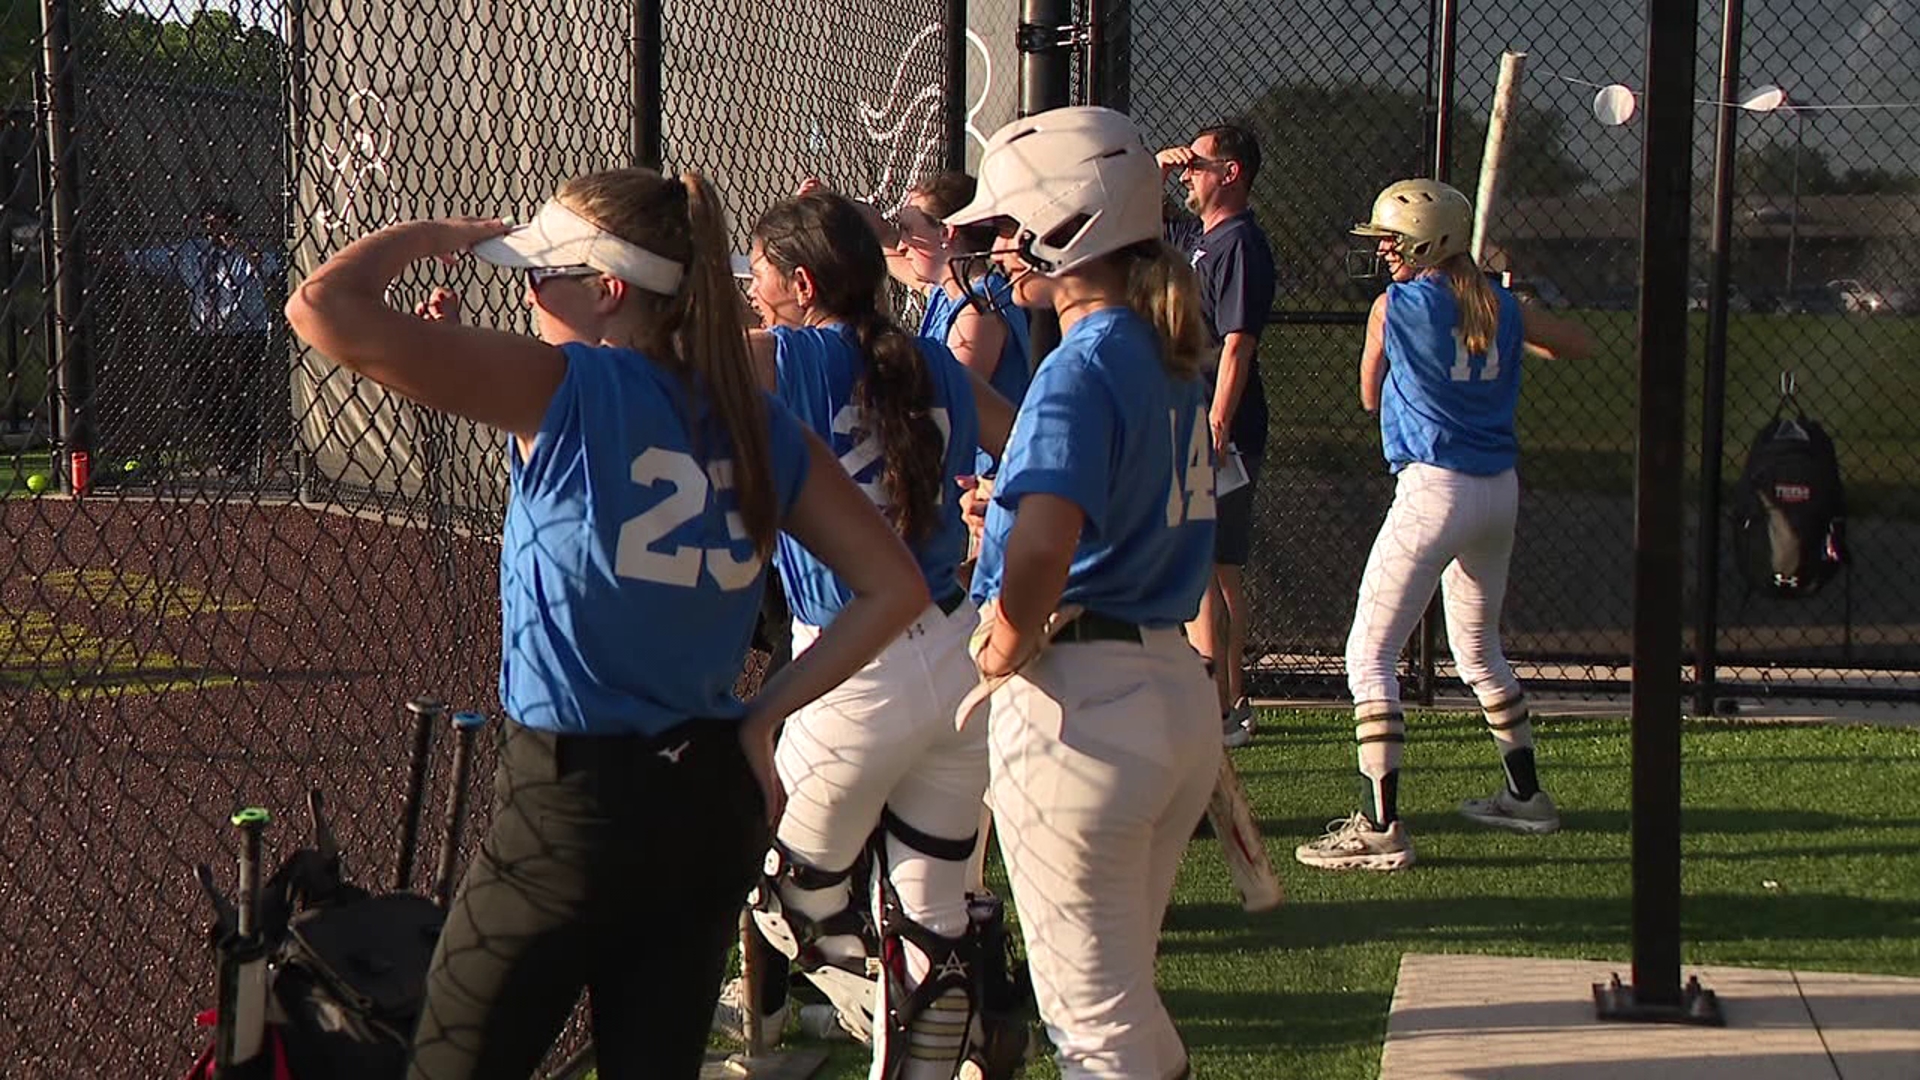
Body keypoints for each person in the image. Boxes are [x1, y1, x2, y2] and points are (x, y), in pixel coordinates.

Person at [284, 167, 932, 1080]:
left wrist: (440, 230)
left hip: (572, 801)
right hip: (706, 796)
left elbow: (321, 306)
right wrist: (761, 716)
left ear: (607, 291)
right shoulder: (751, 417)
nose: (527, 290)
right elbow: (894, 589)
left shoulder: (568, 384)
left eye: (540, 274)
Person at [950, 104, 1220, 1079]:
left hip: (1082, 704)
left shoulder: (1085, 359)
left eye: (1014, 226)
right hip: (1164, 690)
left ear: (1072, 225)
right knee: (1124, 1010)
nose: (1001, 249)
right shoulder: (1164, 348)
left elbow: (1050, 545)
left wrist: (998, 642)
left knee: (1094, 1033)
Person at [731, 189, 1018, 1080]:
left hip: (855, 659)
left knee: (782, 896)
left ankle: (912, 1004)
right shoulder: (931, 356)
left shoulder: (787, 354)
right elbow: (1032, 438)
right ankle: (949, 1012)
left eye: (761, 273)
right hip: (958, 647)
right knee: (931, 908)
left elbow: (677, 370)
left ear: (804, 282)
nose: (752, 290)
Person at [1294, 178, 1594, 873]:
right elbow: (1576, 344)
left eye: (1395, 242)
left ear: (1431, 241)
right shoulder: (1503, 304)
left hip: (1435, 488)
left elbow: (1369, 398)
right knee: (1479, 651)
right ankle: (1526, 796)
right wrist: (1505, 323)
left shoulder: (1393, 305)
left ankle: (1381, 826)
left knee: (1369, 655)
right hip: (1498, 492)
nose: (1386, 254)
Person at [1156, 122, 1277, 749]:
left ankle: (1216, 711)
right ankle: (1230, 704)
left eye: (1198, 165)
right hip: (1195, 419)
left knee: (1206, 568)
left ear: (1231, 173)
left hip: (1215, 423)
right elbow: (1145, 220)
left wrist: (1217, 425)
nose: (1187, 175)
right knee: (1220, 569)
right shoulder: (1199, 238)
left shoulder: (1240, 244)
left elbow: (1238, 345)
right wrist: (1159, 167)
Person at [112, 198, 284, 475]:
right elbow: (147, 259)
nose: (211, 229)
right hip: (206, 334)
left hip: (245, 334)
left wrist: (238, 244)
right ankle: (239, 444)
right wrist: (107, 257)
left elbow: (270, 269)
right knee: (195, 391)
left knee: (235, 391)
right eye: (207, 223)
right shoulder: (191, 252)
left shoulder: (247, 252)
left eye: (218, 223)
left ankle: (238, 453)